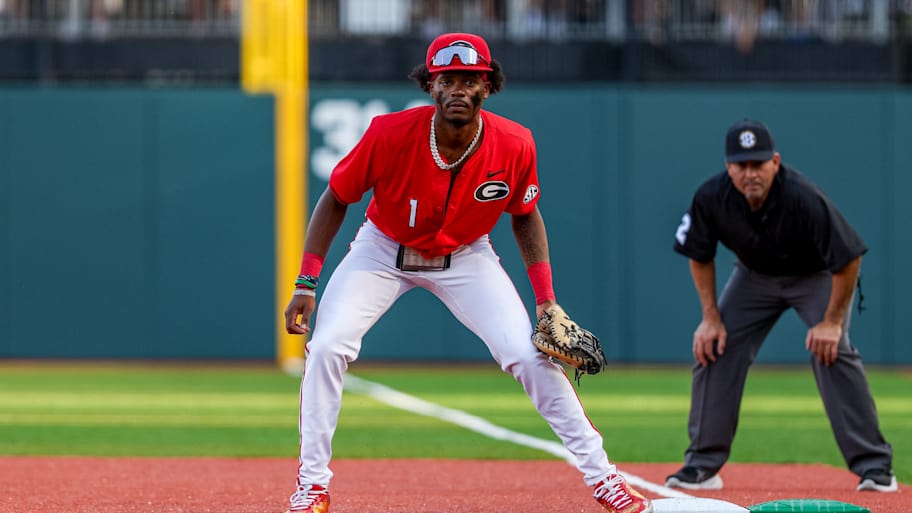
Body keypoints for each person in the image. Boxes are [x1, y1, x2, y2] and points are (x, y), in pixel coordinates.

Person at [281, 32, 653, 513]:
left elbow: (524, 214)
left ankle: (605, 479)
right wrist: (306, 282)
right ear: (431, 86)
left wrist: (547, 301)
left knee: (529, 354)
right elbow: (336, 198)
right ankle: (312, 485)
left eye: (470, 80)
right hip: (382, 249)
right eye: (448, 79)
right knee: (328, 346)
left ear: (487, 85)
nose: (458, 89)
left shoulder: (515, 143)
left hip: (466, 255)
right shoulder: (388, 133)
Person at [668, 118, 896, 492]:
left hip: (815, 275)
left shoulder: (802, 196)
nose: (750, 173)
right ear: (728, 167)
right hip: (754, 277)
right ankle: (702, 466)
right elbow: (698, 253)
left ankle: (875, 467)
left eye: (758, 163)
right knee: (714, 346)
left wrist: (832, 322)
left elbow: (848, 259)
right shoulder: (711, 197)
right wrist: (710, 318)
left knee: (832, 350)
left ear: (775, 162)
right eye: (741, 165)